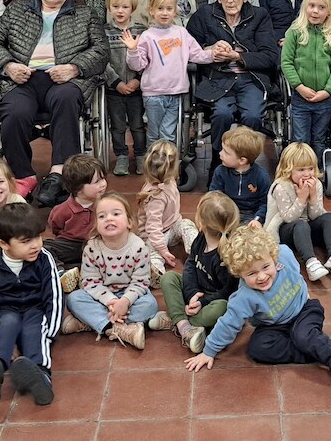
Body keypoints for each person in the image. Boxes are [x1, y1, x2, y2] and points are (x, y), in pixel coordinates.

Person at [183, 225, 331, 391]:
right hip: (274, 325)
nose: (261, 276)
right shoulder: (243, 297)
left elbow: (295, 274)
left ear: (274, 257)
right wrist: (208, 351)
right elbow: (228, 324)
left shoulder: (284, 253)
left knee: (303, 335)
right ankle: (316, 350)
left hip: (304, 310)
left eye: (266, 267)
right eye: (251, 273)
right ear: (239, 273)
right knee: (258, 349)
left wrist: (304, 293)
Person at [0, 0, 109, 205]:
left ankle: (59, 173)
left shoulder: (85, 15)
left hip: (64, 79)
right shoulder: (17, 11)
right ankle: (23, 175)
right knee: (15, 111)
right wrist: (9, 65)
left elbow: (101, 51)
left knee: (67, 98)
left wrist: (74, 67)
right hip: (22, 79)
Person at [0, 203, 62, 406]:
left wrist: (50, 331)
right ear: (3, 244)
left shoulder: (44, 260)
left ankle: (39, 375)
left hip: (35, 311)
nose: (36, 245)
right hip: (6, 313)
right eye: (26, 241)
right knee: (7, 323)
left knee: (34, 328)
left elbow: (55, 296)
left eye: (38, 237)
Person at [187, 0, 279, 162]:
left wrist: (237, 56)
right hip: (217, 77)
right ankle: (218, 160)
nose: (230, 0)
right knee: (222, 114)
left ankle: (247, 162)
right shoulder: (204, 15)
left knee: (253, 116)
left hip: (251, 78)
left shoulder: (259, 15)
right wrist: (210, 50)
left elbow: (269, 56)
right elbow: (189, 48)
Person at [63, 194, 166, 350]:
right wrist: (111, 302)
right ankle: (119, 329)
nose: (109, 219)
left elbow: (141, 283)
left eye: (116, 214)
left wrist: (124, 302)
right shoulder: (92, 248)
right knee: (73, 299)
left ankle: (91, 322)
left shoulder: (139, 247)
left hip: (131, 295)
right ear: (96, 224)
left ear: (129, 222)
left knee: (150, 305)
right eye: (102, 216)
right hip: (101, 296)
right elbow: (90, 282)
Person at [124, 0, 217, 147]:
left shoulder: (182, 33)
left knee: (168, 133)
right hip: (153, 95)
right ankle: (153, 168)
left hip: (176, 93)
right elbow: (138, 65)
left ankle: (168, 167)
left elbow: (197, 55)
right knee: (154, 133)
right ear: (151, 11)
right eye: (160, 8)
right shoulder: (147, 36)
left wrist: (214, 54)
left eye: (169, 8)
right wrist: (132, 50)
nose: (165, 13)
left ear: (175, 11)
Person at [160, 192, 241, 353]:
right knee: (168, 278)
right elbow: (190, 264)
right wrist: (192, 294)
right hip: (196, 293)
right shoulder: (201, 237)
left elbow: (227, 292)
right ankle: (185, 326)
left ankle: (177, 320)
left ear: (202, 223)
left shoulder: (227, 255)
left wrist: (202, 302)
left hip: (212, 301)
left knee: (222, 308)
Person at [264, 143, 331, 281]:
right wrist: (301, 198)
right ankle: (311, 262)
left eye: (311, 168)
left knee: (329, 218)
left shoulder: (316, 184)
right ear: (288, 170)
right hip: (286, 230)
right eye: (301, 169)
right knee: (300, 225)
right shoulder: (281, 187)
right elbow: (288, 218)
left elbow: (316, 215)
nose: (307, 174)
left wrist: (313, 196)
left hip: (307, 227)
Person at [281, 0, 331, 162]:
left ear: (329, 11)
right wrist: (299, 86)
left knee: (319, 139)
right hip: (301, 98)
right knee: (300, 140)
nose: (315, 11)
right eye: (312, 6)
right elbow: (286, 62)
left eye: (321, 7)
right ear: (305, 6)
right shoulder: (295, 32)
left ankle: (317, 171)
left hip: (324, 100)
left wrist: (327, 91)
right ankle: (299, 169)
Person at [102, 0, 149, 176]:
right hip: (115, 89)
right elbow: (102, 60)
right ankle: (121, 156)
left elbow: (148, 58)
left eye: (125, 7)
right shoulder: (103, 31)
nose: (120, 11)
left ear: (133, 8)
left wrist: (138, 80)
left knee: (138, 124)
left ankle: (140, 155)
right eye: (116, 7)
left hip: (137, 89)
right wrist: (116, 83)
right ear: (109, 8)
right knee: (118, 125)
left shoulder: (142, 31)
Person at [136, 141, 199, 283]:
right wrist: (163, 250)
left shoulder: (170, 181)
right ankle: (156, 272)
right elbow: (153, 228)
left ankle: (196, 250)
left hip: (172, 226)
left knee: (186, 224)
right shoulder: (155, 197)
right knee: (153, 251)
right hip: (155, 235)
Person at [44, 154, 107, 270]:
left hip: (97, 244)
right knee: (45, 248)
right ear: (78, 189)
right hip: (70, 245)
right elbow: (56, 228)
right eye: (97, 181)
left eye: (103, 178)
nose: (103, 184)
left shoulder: (106, 205)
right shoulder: (61, 209)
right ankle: (61, 272)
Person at [208, 126, 271, 226]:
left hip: (250, 216)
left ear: (242, 160)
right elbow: (214, 195)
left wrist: (257, 219)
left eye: (226, 152)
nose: (220, 153)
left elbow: (265, 203)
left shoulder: (261, 176)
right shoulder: (220, 172)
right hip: (227, 213)